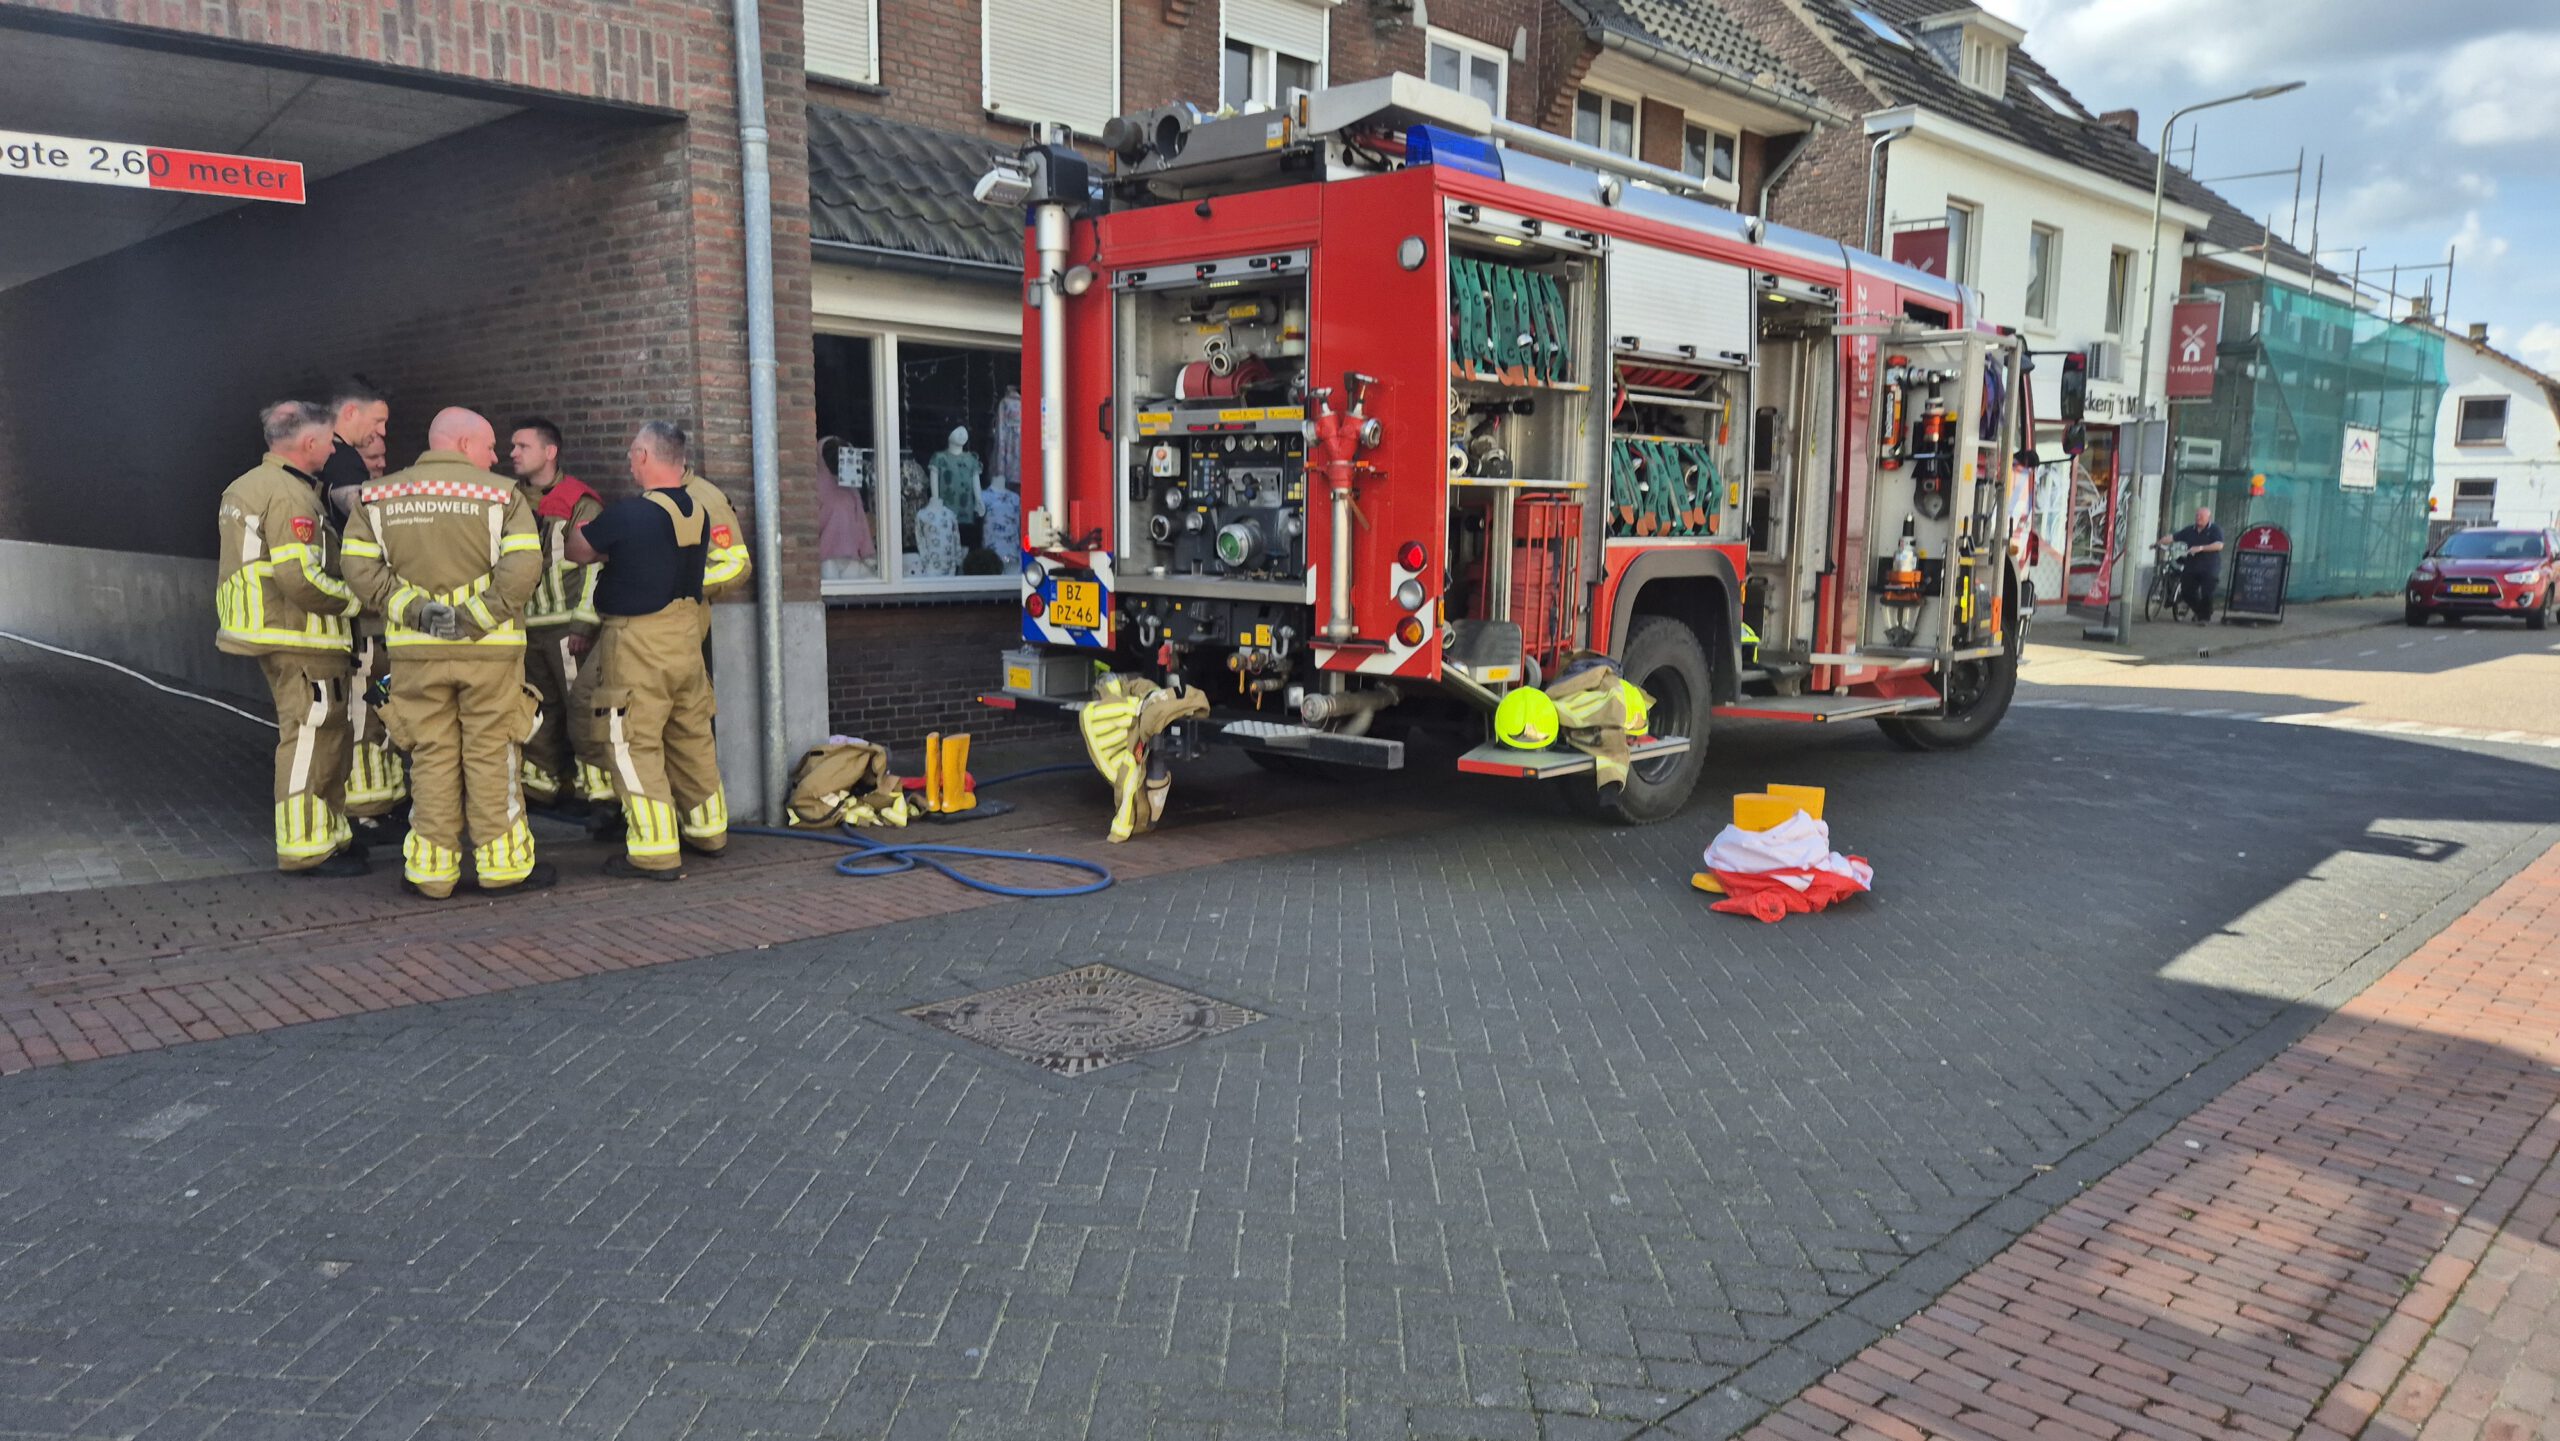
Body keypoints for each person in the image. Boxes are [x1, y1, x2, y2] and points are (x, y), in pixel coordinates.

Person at [340, 407, 552, 899]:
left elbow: (359, 569)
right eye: (489, 446)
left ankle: (432, 871)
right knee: (492, 753)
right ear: (462, 444)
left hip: (416, 654)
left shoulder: (377, 497)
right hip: (490, 651)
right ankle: (502, 867)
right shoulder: (503, 496)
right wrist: (476, 616)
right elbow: (524, 567)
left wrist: (415, 611)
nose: (495, 457)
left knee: (430, 755)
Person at [565, 420, 728, 879]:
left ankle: (654, 852)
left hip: (638, 643)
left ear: (643, 456)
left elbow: (578, 551)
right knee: (691, 736)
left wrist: (589, 533)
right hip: (686, 640)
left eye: (632, 454)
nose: (629, 462)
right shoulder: (698, 511)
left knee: (631, 742)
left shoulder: (629, 514)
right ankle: (708, 831)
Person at [215, 400, 368, 878]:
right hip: (299, 636)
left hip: (279, 633)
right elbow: (299, 578)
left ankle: (329, 834)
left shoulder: (252, 485)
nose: (334, 450)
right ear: (309, 442)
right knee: (309, 739)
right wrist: (360, 601)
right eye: (329, 441)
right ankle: (304, 847)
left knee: (325, 735)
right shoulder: (289, 496)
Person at [507, 416, 614, 814]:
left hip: (567, 629)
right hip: (524, 628)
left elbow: (596, 568)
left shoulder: (579, 501)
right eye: (513, 446)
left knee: (581, 710)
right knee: (536, 708)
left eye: (522, 446)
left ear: (549, 451)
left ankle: (599, 795)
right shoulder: (508, 500)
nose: (512, 454)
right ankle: (543, 785)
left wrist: (584, 622)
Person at [323, 380, 407, 836]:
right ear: (351, 413)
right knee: (366, 709)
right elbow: (361, 511)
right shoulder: (342, 460)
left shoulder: (334, 458)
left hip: (366, 615)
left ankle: (381, 799)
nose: (383, 433)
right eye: (379, 421)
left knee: (378, 706)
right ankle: (367, 811)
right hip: (362, 617)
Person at [2165, 505, 2226, 623]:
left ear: (2208, 518)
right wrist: (2158, 543)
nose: (2198, 518)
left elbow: (2219, 545)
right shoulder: (2190, 530)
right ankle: (2200, 611)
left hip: (2209, 566)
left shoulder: (2215, 529)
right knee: (2186, 591)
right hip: (2192, 565)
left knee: (2207, 592)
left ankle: (2204, 618)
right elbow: (2173, 537)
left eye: (2201, 516)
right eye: (2197, 515)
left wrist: (2201, 548)